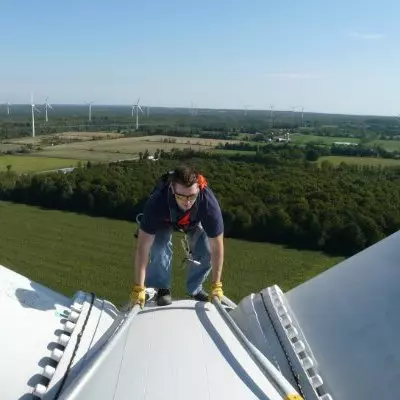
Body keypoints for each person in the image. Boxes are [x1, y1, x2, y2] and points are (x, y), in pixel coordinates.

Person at [129, 164, 225, 308]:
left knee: (206, 249)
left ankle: (195, 289)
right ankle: (161, 288)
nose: (187, 202)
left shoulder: (208, 203)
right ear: (172, 189)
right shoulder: (157, 202)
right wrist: (139, 287)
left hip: (193, 221)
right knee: (159, 245)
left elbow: (217, 247)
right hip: (164, 220)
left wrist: (216, 284)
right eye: (181, 196)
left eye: (192, 196)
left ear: (199, 188)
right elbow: (143, 247)